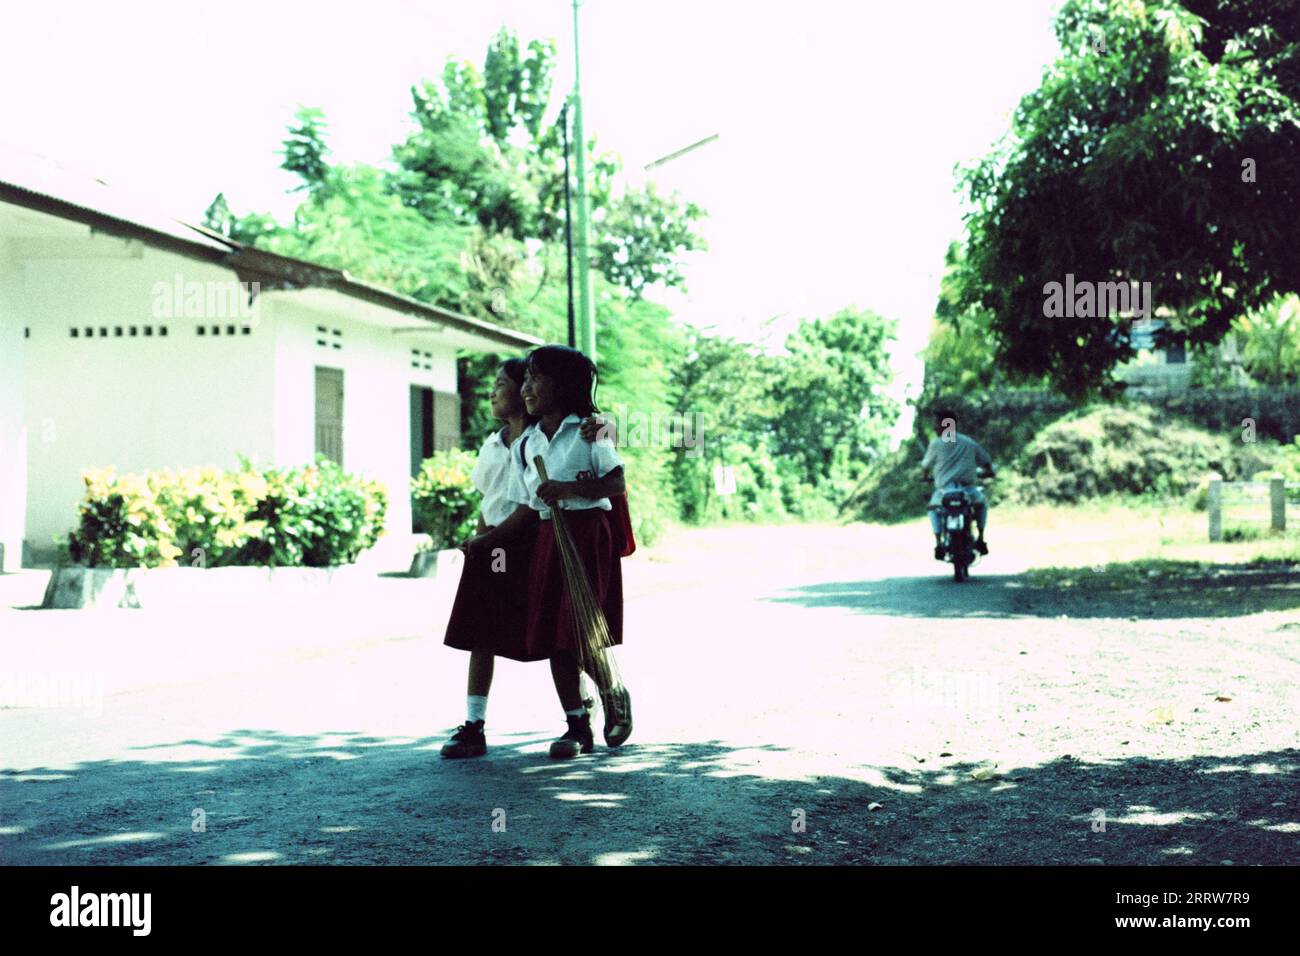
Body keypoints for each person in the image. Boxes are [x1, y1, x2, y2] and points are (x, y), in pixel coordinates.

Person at [440, 358, 611, 760]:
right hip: (495, 544)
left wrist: (606, 428)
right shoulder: (496, 443)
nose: (493, 392)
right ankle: (474, 725)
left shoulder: (553, 433)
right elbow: (492, 499)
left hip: (536, 541)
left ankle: (602, 698)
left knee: (563, 637)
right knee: (480, 631)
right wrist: (483, 542)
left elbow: (591, 455)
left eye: (503, 383)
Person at [920, 407, 995, 560]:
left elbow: (925, 466)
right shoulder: (968, 442)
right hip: (968, 491)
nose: (935, 427)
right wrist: (988, 471)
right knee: (981, 504)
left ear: (945, 424)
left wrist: (925, 476)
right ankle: (980, 537)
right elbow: (986, 461)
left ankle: (938, 541)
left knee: (933, 509)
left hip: (943, 492)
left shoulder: (936, 444)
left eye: (937, 423)